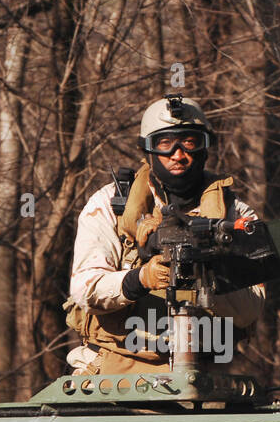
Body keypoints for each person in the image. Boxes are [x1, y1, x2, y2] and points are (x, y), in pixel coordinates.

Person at [65, 95, 266, 375]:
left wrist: (206, 274)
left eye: (190, 142)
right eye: (165, 144)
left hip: (203, 374)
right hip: (115, 370)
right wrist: (140, 279)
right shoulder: (110, 206)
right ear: (147, 150)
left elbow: (251, 309)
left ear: (205, 148)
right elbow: (85, 289)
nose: (178, 154)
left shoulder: (236, 215)